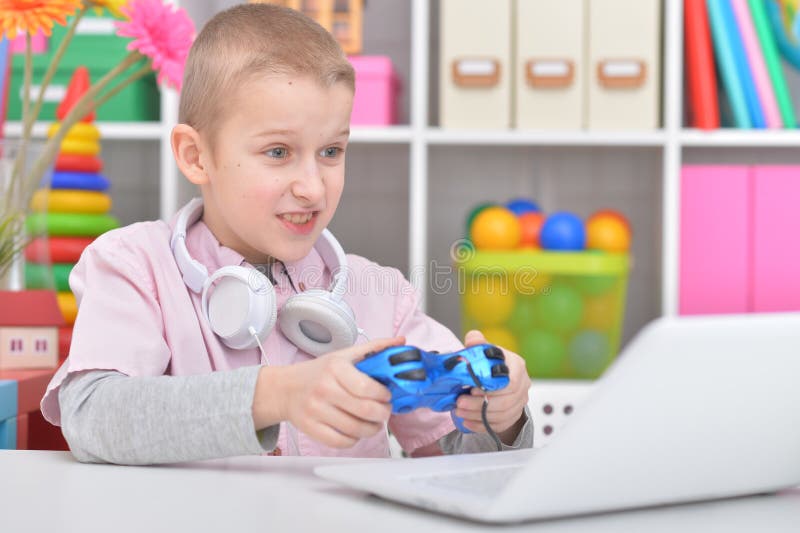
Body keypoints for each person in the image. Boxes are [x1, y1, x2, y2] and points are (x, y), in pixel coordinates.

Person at [40, 3, 533, 465]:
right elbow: (93, 417)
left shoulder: (379, 297)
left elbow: (457, 466)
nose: (312, 186)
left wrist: (502, 421)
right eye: (278, 152)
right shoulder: (135, 265)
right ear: (196, 156)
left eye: (331, 151)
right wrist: (275, 395)